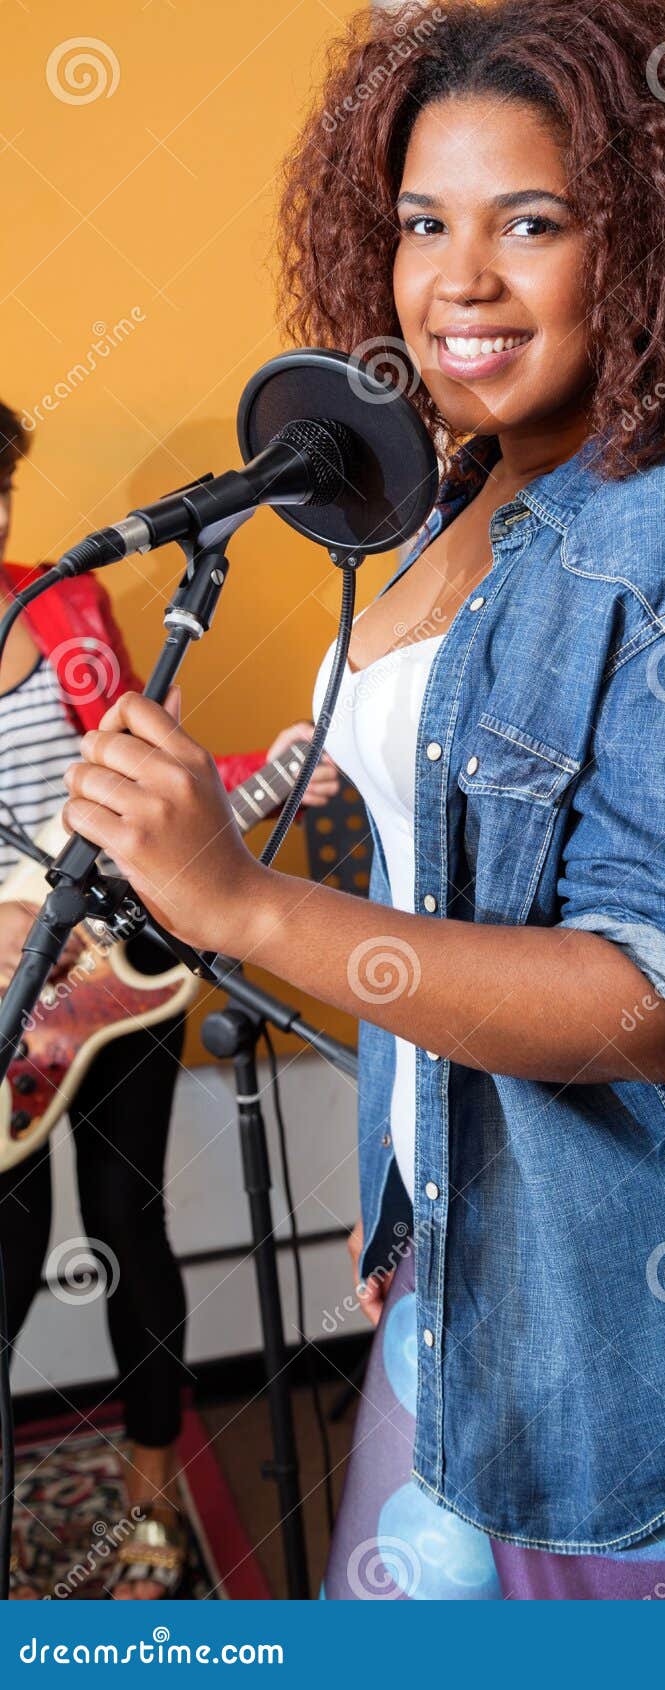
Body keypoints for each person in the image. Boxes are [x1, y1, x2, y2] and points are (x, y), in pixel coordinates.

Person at [65, 0, 665, 1600]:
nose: (459, 279)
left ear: (650, 243)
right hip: (480, 1270)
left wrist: (244, 902)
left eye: (532, 222)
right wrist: (413, 1205)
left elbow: (656, 999)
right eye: (420, 224)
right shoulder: (458, 490)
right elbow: (435, 883)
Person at [0, 399, 339, 1598]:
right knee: (10, 1259)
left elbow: (145, 776)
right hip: (6, 1018)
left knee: (129, 1229)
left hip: (122, 984)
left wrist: (269, 772)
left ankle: (150, 1488)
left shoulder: (61, 604)